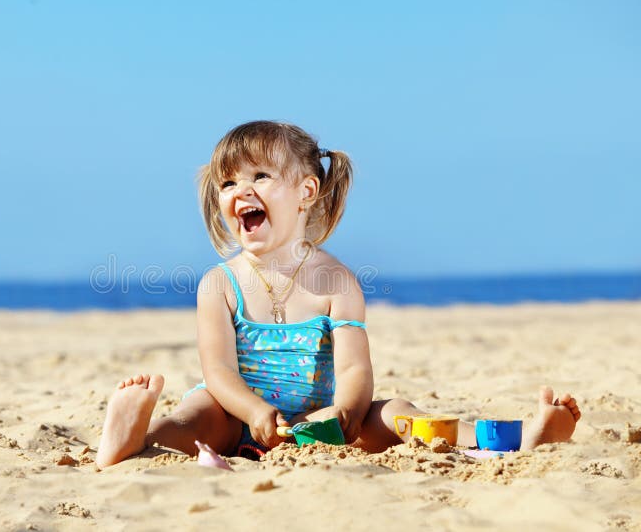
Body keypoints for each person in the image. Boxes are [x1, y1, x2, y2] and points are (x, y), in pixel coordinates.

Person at [96, 121, 581, 468]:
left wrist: (346, 412)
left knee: (398, 414)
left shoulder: (337, 281)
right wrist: (253, 411)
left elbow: (353, 369)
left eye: (260, 176)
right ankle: (134, 437)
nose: (240, 190)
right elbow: (218, 371)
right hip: (237, 415)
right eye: (228, 182)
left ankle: (518, 437)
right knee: (196, 414)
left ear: (306, 191)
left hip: (321, 418)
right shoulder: (219, 284)